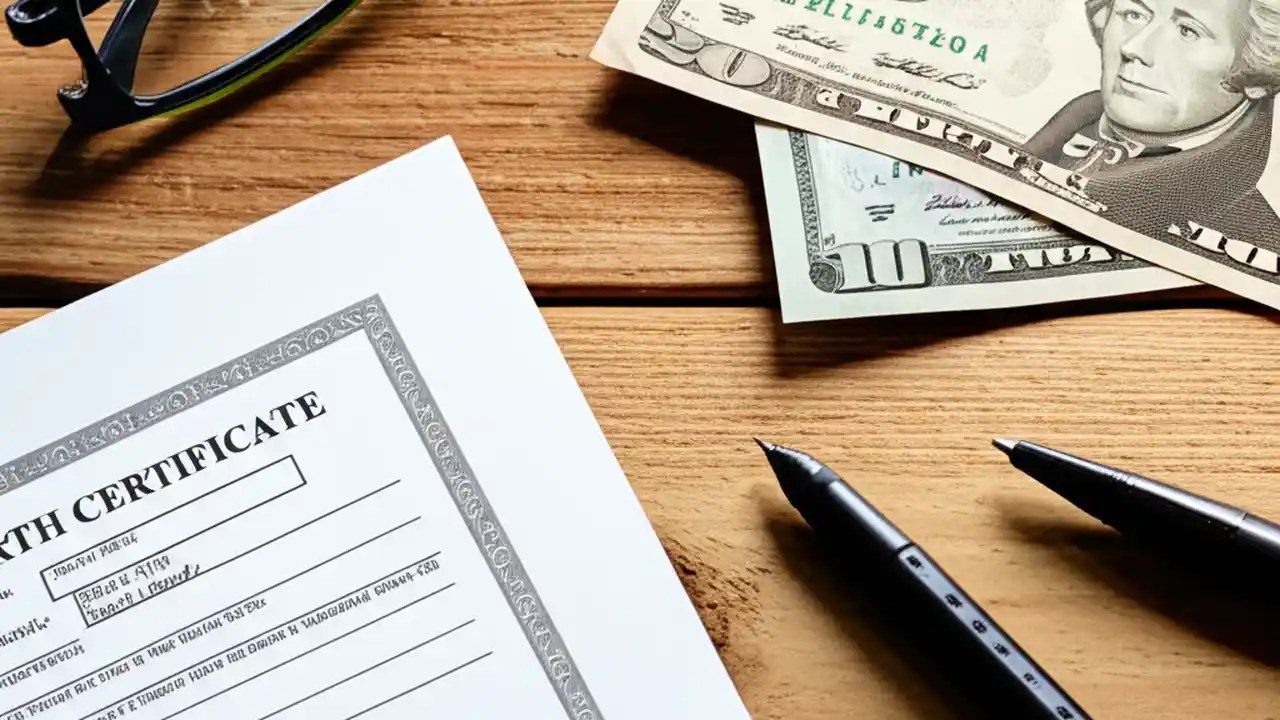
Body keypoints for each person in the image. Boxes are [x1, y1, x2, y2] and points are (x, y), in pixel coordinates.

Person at [1025, 0, 1280, 252]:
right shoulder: (1061, 132)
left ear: (1258, 69)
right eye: (1134, 14)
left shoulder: (1256, 241)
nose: (1134, 47)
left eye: (1188, 31)